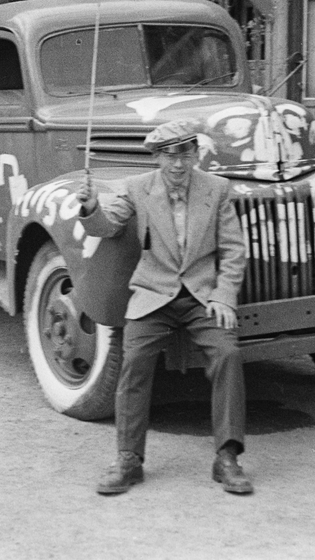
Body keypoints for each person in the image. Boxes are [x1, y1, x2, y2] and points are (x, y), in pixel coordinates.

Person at [77, 120, 252, 496]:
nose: (178, 164)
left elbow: (234, 249)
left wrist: (224, 295)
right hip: (153, 295)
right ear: (157, 157)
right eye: (170, 156)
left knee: (228, 354)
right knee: (134, 361)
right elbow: (107, 227)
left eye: (186, 154)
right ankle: (128, 459)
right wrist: (91, 208)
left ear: (195, 155)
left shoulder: (217, 189)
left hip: (201, 296)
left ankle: (227, 458)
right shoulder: (136, 189)